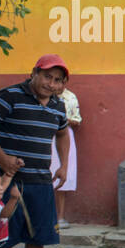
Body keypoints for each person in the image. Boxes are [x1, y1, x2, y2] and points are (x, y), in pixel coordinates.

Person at [0, 54, 71, 248]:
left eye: (58, 80)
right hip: (5, 182)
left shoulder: (58, 106)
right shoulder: (8, 96)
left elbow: (62, 133)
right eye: (47, 76)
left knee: (39, 238)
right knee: (4, 239)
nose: (51, 83)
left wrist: (64, 165)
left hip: (40, 180)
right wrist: (2, 159)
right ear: (34, 72)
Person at [49, 83, 81, 228]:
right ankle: (46, 214)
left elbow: (77, 120)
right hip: (47, 135)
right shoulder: (45, 96)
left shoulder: (70, 98)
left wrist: (63, 120)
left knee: (63, 174)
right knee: (46, 173)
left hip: (64, 136)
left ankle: (60, 216)